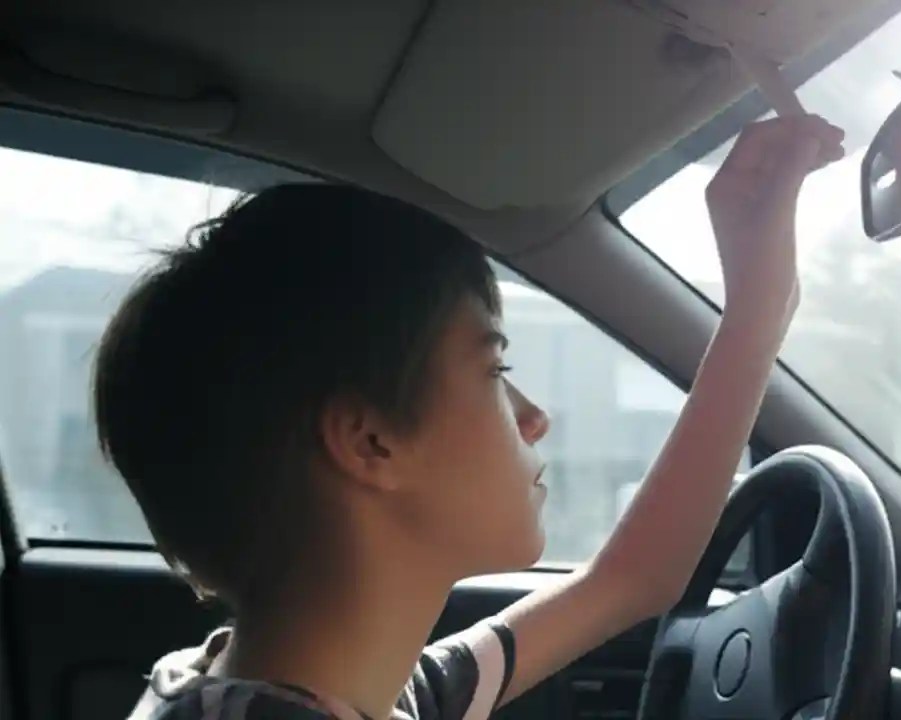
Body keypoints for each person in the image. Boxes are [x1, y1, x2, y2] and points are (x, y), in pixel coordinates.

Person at [104, 114, 843, 720]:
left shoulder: (330, 689)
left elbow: (634, 578)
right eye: (495, 372)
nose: (535, 419)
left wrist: (759, 304)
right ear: (369, 441)